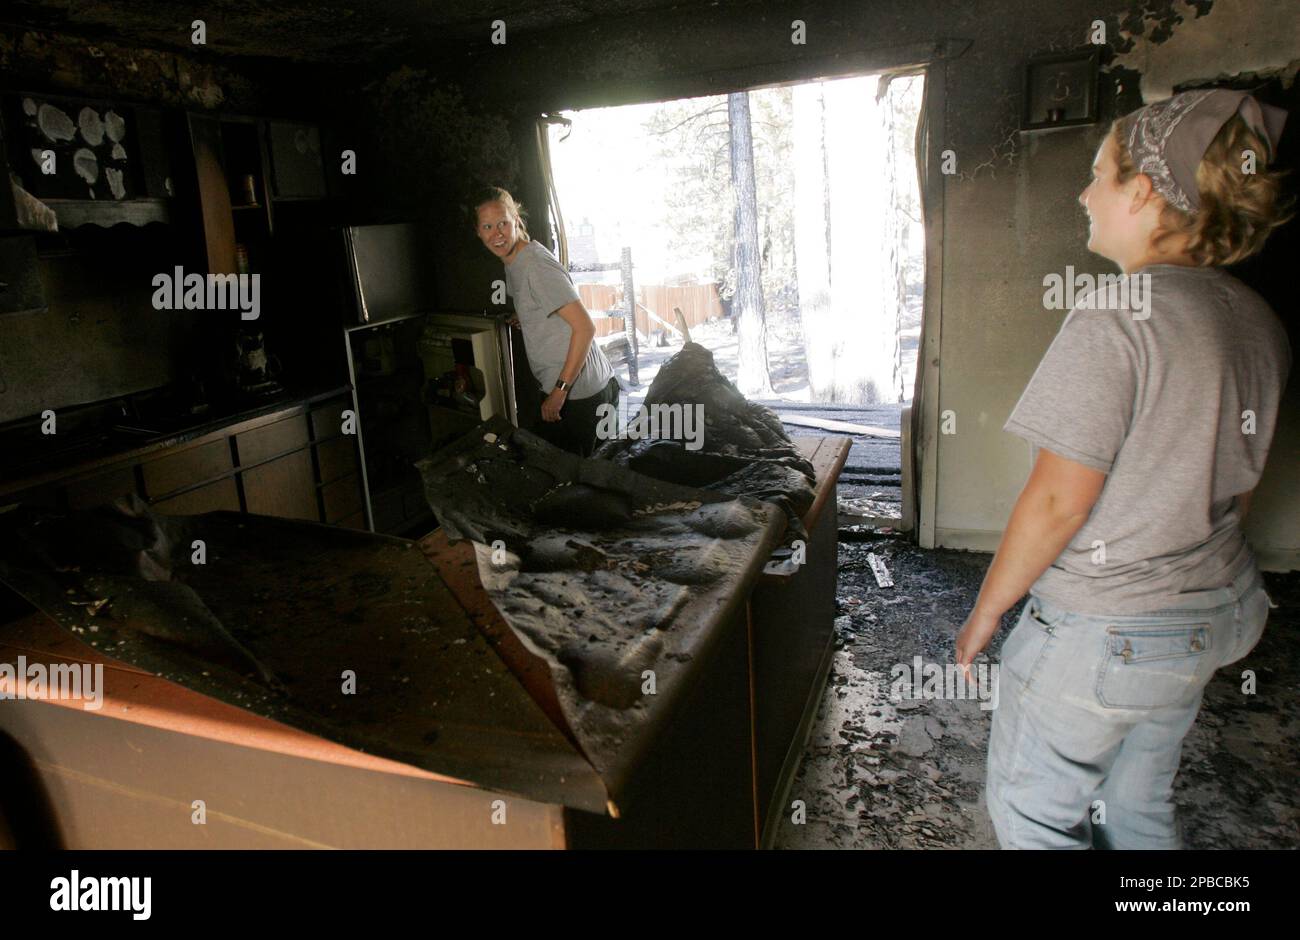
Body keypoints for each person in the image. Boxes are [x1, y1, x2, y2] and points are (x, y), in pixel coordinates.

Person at [954, 89, 1292, 849]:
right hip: (1214, 613)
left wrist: (985, 616)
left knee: (1033, 818)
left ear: (1142, 192)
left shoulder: (1115, 312)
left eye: (1099, 174)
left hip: (1110, 628)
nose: (1083, 192)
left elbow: (1056, 503)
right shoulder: (1256, 320)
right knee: (1136, 811)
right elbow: (1236, 487)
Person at [472, 185, 619, 456]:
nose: (497, 234)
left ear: (516, 220)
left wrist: (559, 391)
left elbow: (585, 327)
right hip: (570, 389)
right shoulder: (513, 261)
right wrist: (528, 316)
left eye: (503, 223)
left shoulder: (536, 266)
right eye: (488, 227)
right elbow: (546, 302)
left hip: (581, 394)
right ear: (478, 232)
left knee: (586, 482)